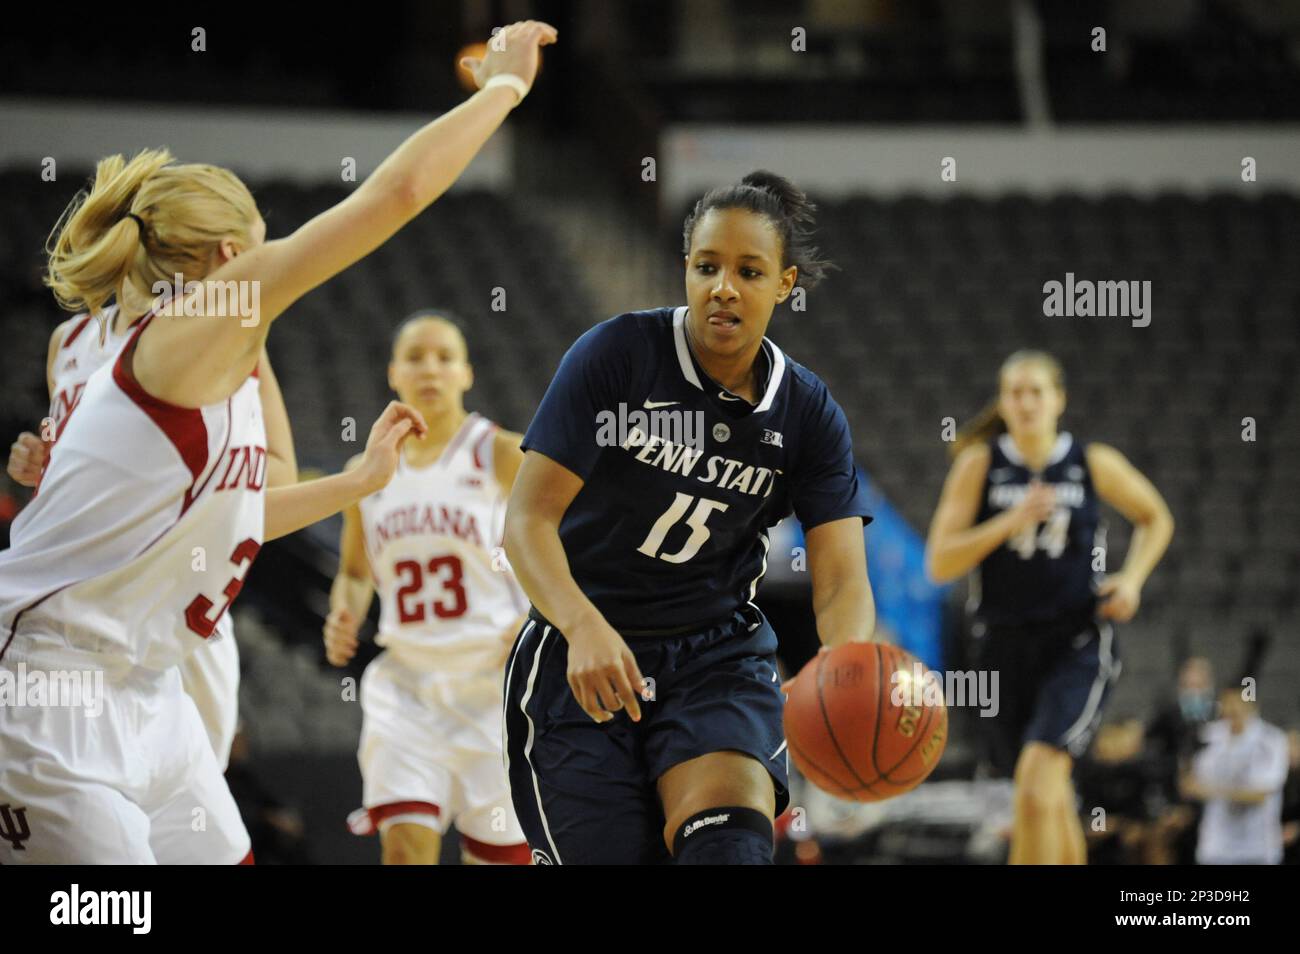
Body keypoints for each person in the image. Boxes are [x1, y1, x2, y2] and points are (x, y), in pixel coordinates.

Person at [0, 20, 557, 864]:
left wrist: (361, 480)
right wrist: (503, 90)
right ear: (232, 258)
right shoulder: (190, 328)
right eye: (265, 256)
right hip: (52, 691)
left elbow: (248, 501)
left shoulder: (95, 345)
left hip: (151, 692)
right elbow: (394, 197)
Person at [501, 170, 875, 865]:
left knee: (730, 851)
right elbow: (525, 521)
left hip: (715, 656)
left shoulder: (809, 414)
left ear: (785, 284)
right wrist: (582, 625)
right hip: (584, 650)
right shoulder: (617, 356)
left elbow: (841, 580)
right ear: (686, 270)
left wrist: (840, 669)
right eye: (706, 267)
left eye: (748, 271)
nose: (723, 287)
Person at [7, 304, 299, 770]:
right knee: (77, 797)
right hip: (81, 606)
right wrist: (43, 458)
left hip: (175, 599)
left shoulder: (222, 327)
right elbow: (71, 461)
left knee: (184, 814)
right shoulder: (70, 339)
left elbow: (280, 478)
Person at [925, 350, 1174, 864]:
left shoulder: (1090, 461)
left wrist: (1131, 580)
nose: (1025, 401)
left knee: (1037, 788)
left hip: (1077, 640)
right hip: (1003, 646)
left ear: (1058, 398)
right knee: (1047, 798)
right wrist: (1009, 521)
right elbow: (940, 563)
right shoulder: (981, 464)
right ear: (1003, 401)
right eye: (1014, 391)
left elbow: (1156, 517)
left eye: (1036, 390)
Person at [324, 311, 531, 865]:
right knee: (405, 850)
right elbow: (354, 572)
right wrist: (343, 612)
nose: (430, 368)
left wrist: (536, 617)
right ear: (394, 373)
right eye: (416, 357)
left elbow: (566, 541)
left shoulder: (500, 452)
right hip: (408, 685)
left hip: (493, 686)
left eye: (445, 357)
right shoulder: (365, 472)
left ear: (467, 374)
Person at [1183, 686, 1289, 865]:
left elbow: (1260, 794)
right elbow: (1189, 785)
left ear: (1252, 705)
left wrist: (1212, 790)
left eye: (1239, 703)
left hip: (1256, 849)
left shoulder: (1271, 740)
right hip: (1214, 847)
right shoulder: (1208, 736)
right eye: (1228, 702)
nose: (1233, 709)